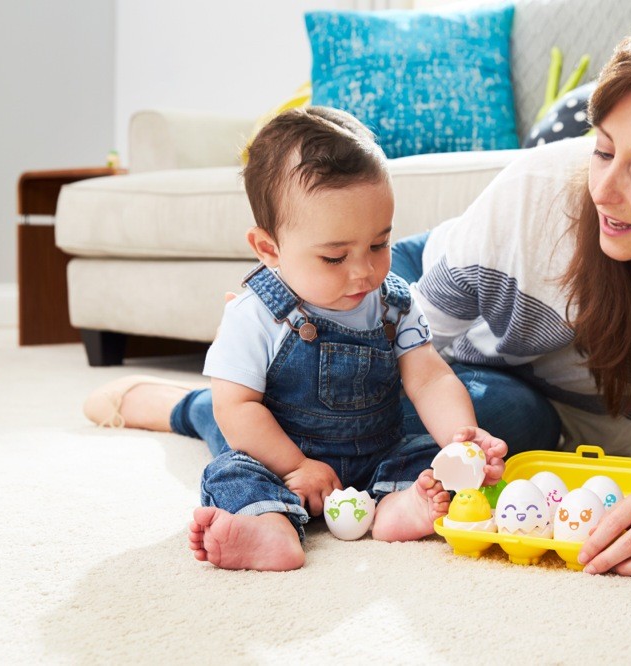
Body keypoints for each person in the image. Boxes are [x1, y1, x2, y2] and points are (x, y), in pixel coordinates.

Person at [85, 20, 631, 578]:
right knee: (322, 402)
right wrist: (308, 338)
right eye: (602, 150)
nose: (604, 189)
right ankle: (196, 405)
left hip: (516, 386)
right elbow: (411, 359)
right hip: (420, 309)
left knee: (506, 430)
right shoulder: (537, 203)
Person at [85, 106, 508, 572]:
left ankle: (399, 509)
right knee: (232, 471)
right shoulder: (255, 313)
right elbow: (235, 407)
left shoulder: (395, 301)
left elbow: (429, 379)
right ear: (270, 250)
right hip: (285, 463)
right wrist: (293, 467)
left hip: (377, 457)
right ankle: (269, 527)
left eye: (379, 244)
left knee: (426, 459)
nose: (364, 271)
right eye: (334, 257)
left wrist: (458, 441)